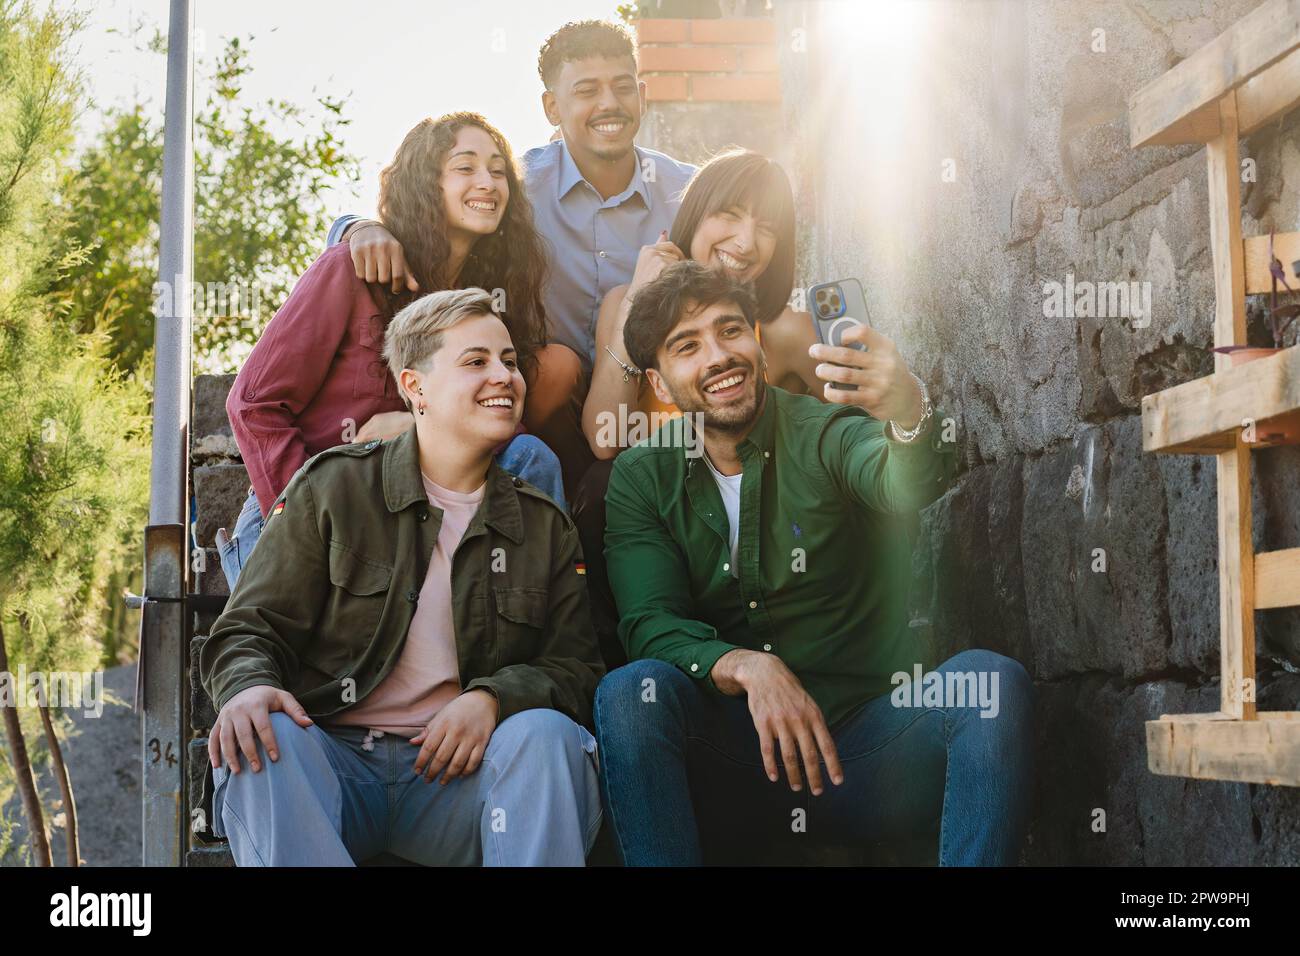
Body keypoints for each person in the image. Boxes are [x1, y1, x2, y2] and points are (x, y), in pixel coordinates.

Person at [593, 261, 1033, 866]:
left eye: (730, 331)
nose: (719, 356)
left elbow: (897, 483)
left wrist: (907, 415)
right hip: (735, 764)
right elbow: (649, 622)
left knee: (990, 685)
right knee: (629, 695)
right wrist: (746, 667)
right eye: (687, 346)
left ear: (760, 346)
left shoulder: (825, 432)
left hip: (866, 751)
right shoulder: (642, 474)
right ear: (660, 383)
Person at [200, 288, 605, 866]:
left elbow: (577, 670)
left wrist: (493, 698)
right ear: (415, 388)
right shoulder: (332, 487)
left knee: (547, 737)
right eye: (476, 361)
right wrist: (245, 688)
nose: (504, 377)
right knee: (261, 732)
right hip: (334, 774)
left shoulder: (543, 525)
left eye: (510, 362)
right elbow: (248, 627)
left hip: (463, 782)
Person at [328, 19, 697, 496]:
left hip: (642, 396)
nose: (609, 103)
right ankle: (548, 504)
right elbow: (419, 213)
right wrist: (358, 227)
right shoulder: (514, 187)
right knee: (556, 366)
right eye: (586, 90)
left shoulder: (683, 192)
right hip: (544, 402)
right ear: (551, 107)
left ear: (641, 96)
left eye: (622, 87)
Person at [219, 111, 565, 589]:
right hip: (307, 512)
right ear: (426, 183)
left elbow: (496, 415)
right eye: (465, 167)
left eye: (498, 170)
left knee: (529, 457)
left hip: (414, 511)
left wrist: (421, 429)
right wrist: (313, 512)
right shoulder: (352, 269)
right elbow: (254, 405)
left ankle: (539, 636)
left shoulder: (486, 299)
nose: (487, 182)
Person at [575, 149, 821, 665]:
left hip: (764, 536)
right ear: (694, 215)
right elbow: (604, 435)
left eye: (767, 227)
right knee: (600, 482)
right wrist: (639, 303)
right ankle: (626, 675)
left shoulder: (784, 330)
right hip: (663, 531)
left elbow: (841, 437)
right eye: (729, 215)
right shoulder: (624, 302)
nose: (746, 242)